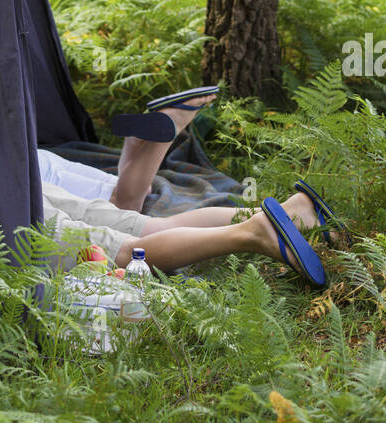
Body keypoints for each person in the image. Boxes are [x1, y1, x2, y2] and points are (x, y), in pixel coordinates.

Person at [37, 90, 346, 286]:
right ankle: (291, 214)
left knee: (128, 252)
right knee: (149, 226)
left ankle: (254, 232)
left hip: (0, 196)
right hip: (26, 176)